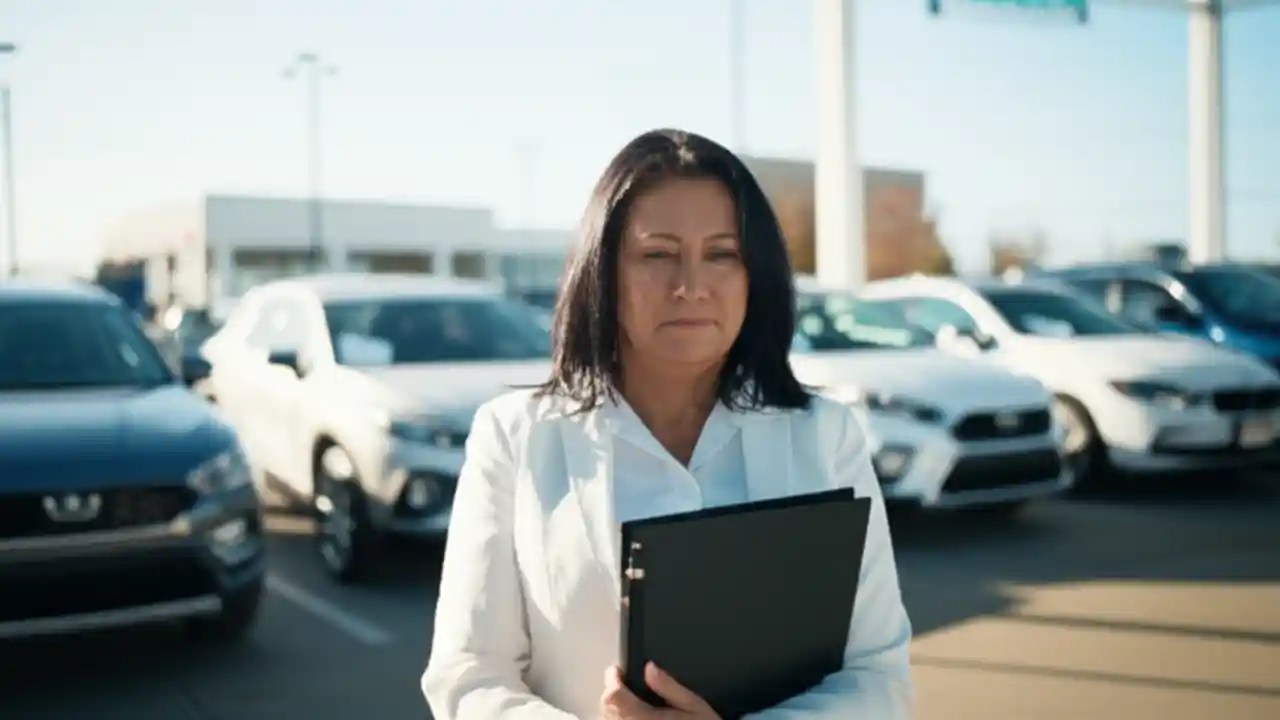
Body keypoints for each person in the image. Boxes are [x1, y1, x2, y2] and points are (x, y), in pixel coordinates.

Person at [422, 129, 914, 719]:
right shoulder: (515, 437)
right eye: (658, 255)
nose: (690, 286)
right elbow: (468, 676)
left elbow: (878, 678)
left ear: (755, 274)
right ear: (603, 272)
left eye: (721, 254)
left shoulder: (825, 435)